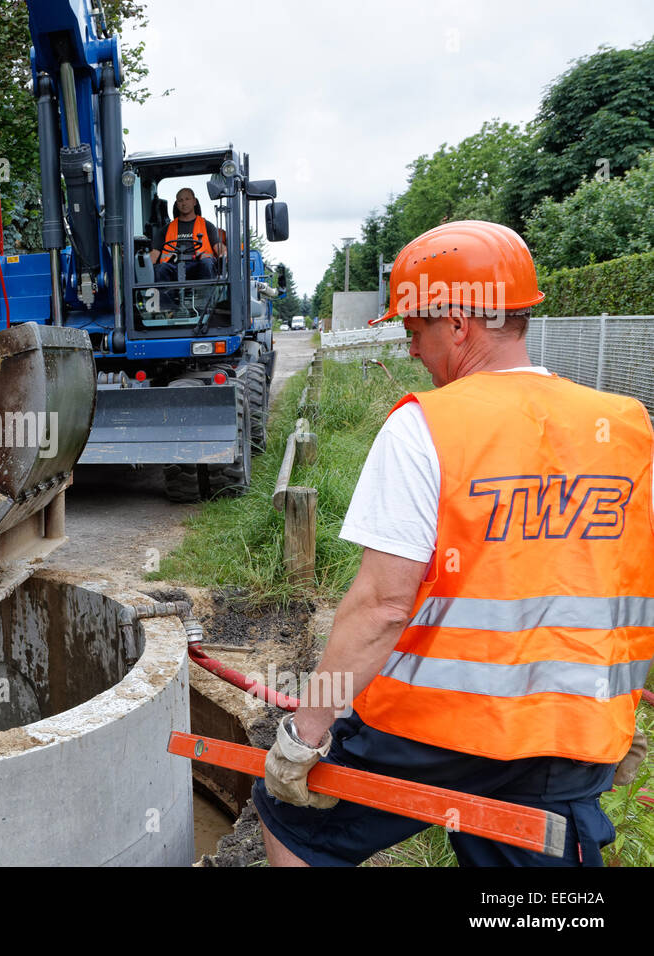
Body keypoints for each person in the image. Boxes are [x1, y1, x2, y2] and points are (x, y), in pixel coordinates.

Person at [253, 220, 652, 867]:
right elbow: (628, 585)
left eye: (415, 331)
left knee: (289, 814)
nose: (412, 350)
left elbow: (384, 605)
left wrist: (308, 732)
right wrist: (624, 706)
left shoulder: (426, 428)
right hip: (573, 733)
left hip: (436, 732)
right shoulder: (627, 428)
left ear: (460, 324)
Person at [151, 187, 225, 284]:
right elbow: (154, 255)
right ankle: (166, 298)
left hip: (199, 265)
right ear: (177, 204)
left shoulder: (207, 225)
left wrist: (224, 254)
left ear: (194, 202)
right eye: (180, 200)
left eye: (187, 199)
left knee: (207, 263)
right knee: (161, 269)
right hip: (174, 267)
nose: (184, 203)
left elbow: (218, 247)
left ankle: (205, 298)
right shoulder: (166, 229)